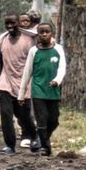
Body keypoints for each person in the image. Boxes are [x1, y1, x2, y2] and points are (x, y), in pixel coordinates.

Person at [0, 13, 40, 155]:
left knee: (24, 115)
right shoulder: (3, 40)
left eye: (12, 23)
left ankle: (34, 136)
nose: (9, 26)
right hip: (5, 81)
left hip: (23, 82)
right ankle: (10, 145)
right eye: (7, 23)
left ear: (18, 23)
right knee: (6, 114)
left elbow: (35, 62)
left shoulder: (29, 40)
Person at [28, 19, 68, 157]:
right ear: (37, 34)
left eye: (47, 32)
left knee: (54, 119)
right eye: (41, 32)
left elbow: (62, 68)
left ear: (52, 33)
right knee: (41, 119)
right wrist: (22, 95)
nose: (44, 34)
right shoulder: (33, 51)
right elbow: (27, 73)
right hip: (38, 90)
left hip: (53, 91)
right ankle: (45, 147)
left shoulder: (58, 49)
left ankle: (40, 139)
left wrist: (57, 80)